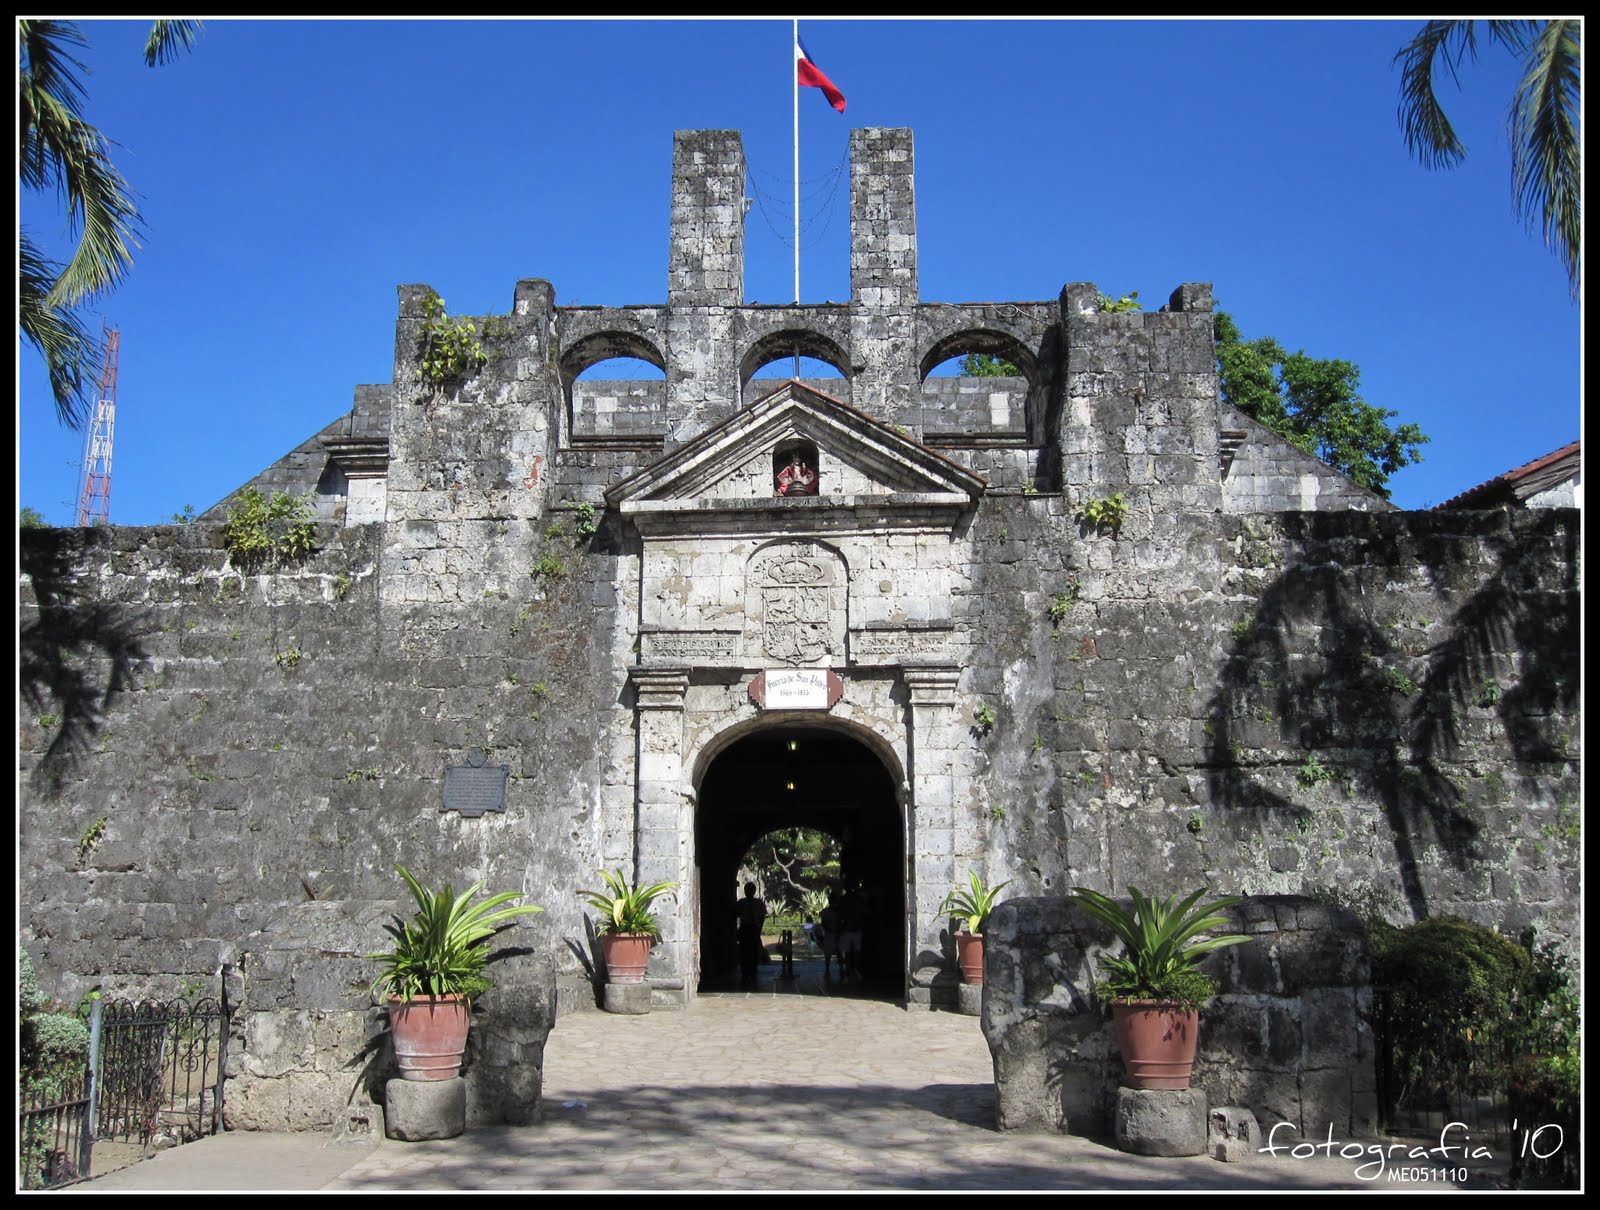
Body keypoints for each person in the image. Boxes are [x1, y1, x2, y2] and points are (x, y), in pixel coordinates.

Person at [735, 881, 767, 983]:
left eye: (749, 890)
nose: (747, 892)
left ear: (753, 891)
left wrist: (759, 929)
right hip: (745, 928)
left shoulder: (758, 903)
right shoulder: (741, 903)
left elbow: (762, 917)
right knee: (743, 951)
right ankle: (745, 971)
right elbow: (734, 914)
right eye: (746, 890)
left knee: (753, 951)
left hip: (753, 928)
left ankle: (753, 971)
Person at [818, 893, 842, 980]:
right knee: (829, 954)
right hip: (830, 934)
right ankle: (829, 969)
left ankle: (840, 969)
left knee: (838, 952)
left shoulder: (839, 911)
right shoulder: (825, 912)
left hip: (835, 934)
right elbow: (823, 924)